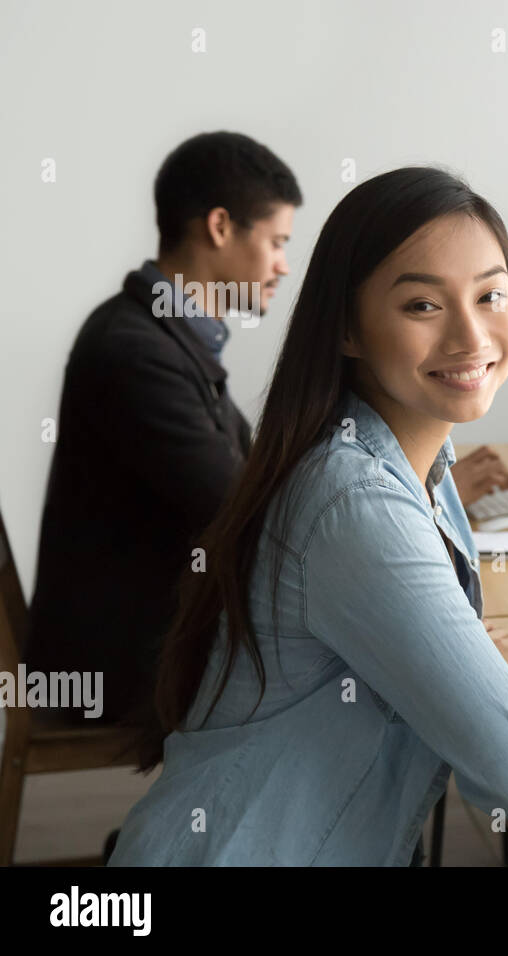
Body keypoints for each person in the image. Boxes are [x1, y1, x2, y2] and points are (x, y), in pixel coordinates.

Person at [109, 167, 508, 866]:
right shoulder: (355, 503)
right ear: (348, 329)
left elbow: (468, 680)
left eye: (491, 293)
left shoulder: (415, 468)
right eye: (422, 306)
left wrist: (507, 693)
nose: (472, 336)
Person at [24, 131, 301, 725]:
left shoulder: (167, 335)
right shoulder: (135, 351)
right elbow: (241, 510)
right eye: (277, 241)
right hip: (115, 666)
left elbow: (251, 477)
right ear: (221, 226)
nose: (283, 265)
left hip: (139, 637)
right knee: (349, 669)